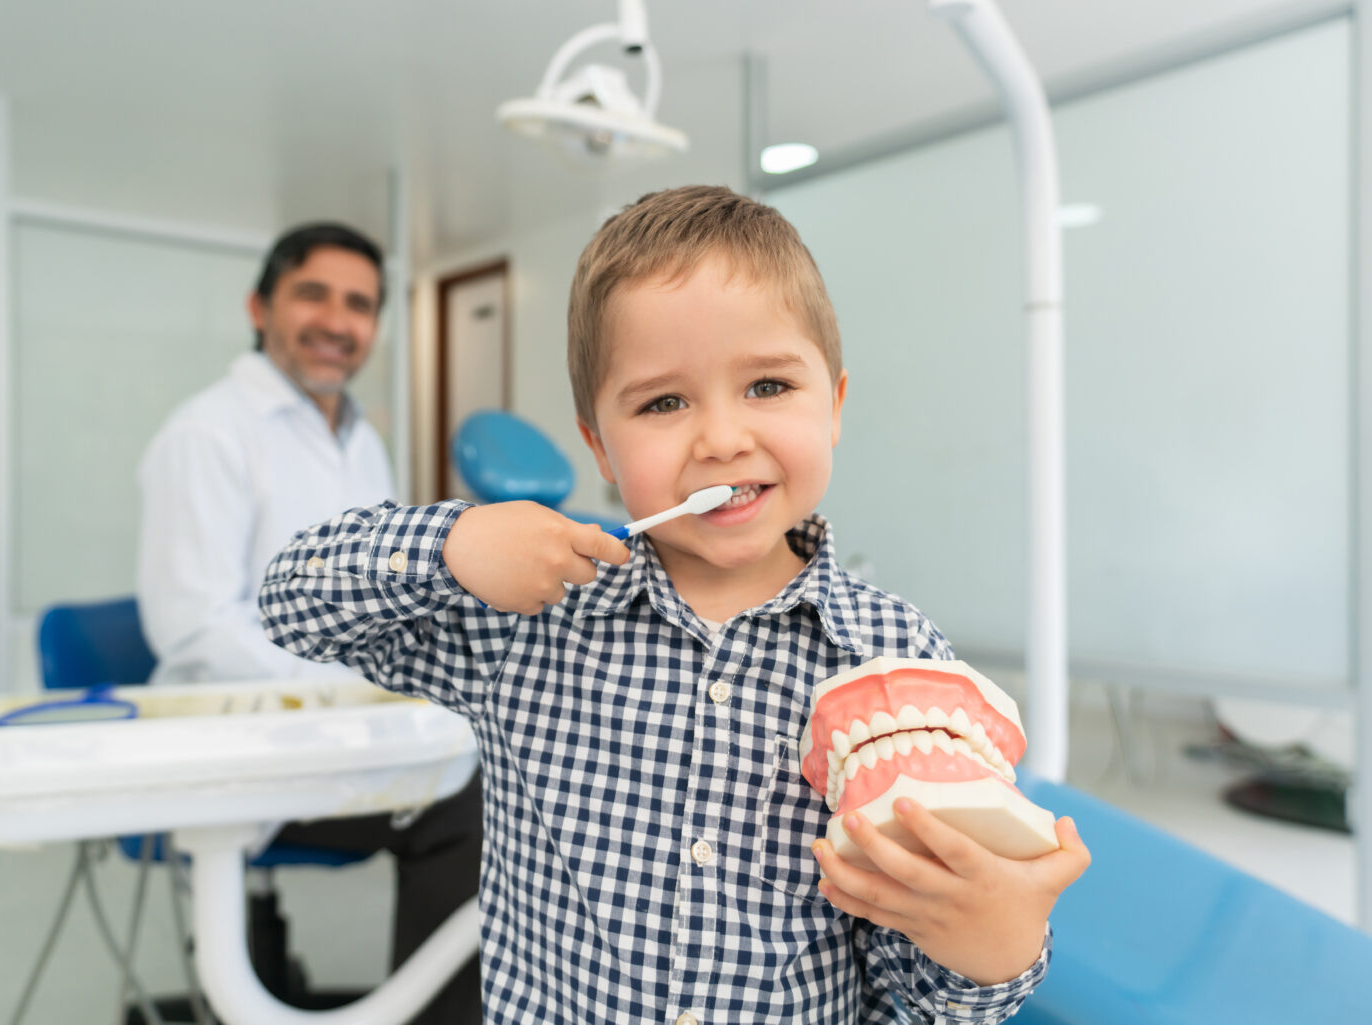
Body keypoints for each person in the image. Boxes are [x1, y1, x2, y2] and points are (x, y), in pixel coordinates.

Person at [257, 188, 1090, 1023]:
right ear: (600, 446)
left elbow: (916, 995)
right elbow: (291, 599)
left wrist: (990, 952)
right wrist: (454, 543)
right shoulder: (530, 617)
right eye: (663, 402)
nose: (722, 438)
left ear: (832, 406)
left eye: (767, 385)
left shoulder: (897, 657)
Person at [136, 222, 480, 1025]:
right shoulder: (208, 434)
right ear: (260, 306)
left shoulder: (358, 438)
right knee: (472, 802)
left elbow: (376, 595)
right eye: (313, 294)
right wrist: (358, 682)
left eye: (359, 304)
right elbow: (194, 630)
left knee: (500, 756)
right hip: (237, 745)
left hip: (336, 731)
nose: (338, 320)